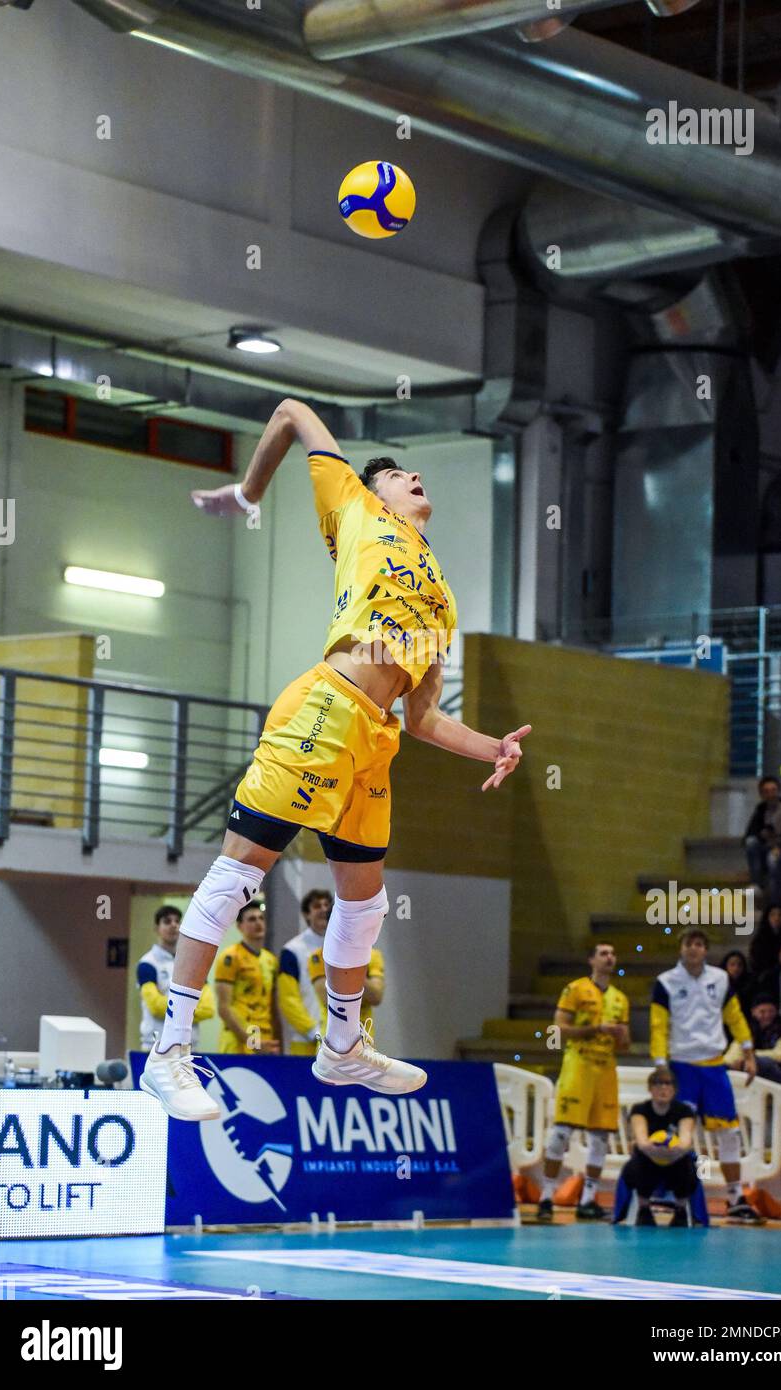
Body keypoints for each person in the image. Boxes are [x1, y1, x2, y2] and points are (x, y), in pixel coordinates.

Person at [141, 398, 531, 1120]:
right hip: (325, 710)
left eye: (414, 474)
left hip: (376, 738)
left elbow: (424, 718)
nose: (412, 476)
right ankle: (169, 1053)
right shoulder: (353, 506)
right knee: (237, 877)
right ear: (370, 490)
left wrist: (493, 746)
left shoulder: (439, 599)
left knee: (364, 901)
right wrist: (247, 493)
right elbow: (291, 411)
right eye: (398, 473)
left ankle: (341, 1046)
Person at [650, 927, 763, 1223]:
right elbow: (658, 1026)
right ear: (681, 948)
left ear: (706, 950)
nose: (694, 949)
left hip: (714, 1066)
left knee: (730, 1132)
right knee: (677, 1133)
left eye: (700, 944)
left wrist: (749, 1054)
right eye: (689, 943)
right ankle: (672, 1192)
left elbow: (735, 1018)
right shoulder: (665, 983)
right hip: (681, 1066)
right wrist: (661, 1064)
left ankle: (735, 1198)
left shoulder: (721, 978)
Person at [537, 942, 630, 1223]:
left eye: (613, 953)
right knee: (561, 1134)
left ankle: (588, 1199)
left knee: (601, 1137)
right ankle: (546, 1196)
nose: (609, 957)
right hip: (578, 1065)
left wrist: (618, 1035)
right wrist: (595, 1029)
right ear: (591, 959)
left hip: (606, 1069)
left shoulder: (620, 998)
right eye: (603, 953)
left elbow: (625, 1044)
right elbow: (557, 1031)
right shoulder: (575, 989)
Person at [617, 1067, 698, 1227]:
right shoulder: (639, 1110)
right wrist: (655, 1152)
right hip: (649, 1158)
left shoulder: (684, 1110)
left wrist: (672, 1154)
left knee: (699, 1163)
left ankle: (681, 1209)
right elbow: (642, 1141)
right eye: (658, 1084)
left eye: (668, 1084)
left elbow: (685, 1142)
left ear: (674, 1089)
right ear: (650, 1089)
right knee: (639, 1158)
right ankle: (643, 1208)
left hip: (676, 1159)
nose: (663, 1089)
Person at [135, 905, 214, 1052]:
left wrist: (176, 1009)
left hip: (188, 1048)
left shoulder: (193, 963)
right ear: (156, 928)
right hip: (156, 1047)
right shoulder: (147, 964)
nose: (173, 925)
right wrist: (188, 1009)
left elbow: (208, 1008)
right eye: (167, 921)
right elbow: (155, 1006)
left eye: (177, 921)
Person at [214, 899, 280, 1054]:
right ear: (240, 926)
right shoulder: (230, 957)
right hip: (239, 1038)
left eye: (261, 918)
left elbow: (273, 1006)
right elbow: (223, 1008)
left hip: (265, 1036)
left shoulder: (271, 960)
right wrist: (253, 1042)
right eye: (251, 919)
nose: (258, 923)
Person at [277, 888, 332, 1057]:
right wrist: (313, 1032)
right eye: (317, 906)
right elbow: (288, 998)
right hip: (305, 1041)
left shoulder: (345, 948)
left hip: (339, 1040)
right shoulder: (292, 951)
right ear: (307, 914)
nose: (323, 909)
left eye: (326, 905)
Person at [743, 776, 781, 902]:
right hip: (765, 848)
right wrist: (761, 835)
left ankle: (775, 903)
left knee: (773, 860)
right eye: (766, 791)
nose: (771, 794)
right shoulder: (760, 810)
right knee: (751, 842)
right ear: (762, 794)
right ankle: (756, 884)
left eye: (773, 790)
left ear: (779, 791)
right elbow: (748, 835)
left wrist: (780, 848)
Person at [724, 995, 781, 1085]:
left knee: (763, 1063)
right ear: (753, 1012)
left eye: (771, 1011)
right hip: (750, 1069)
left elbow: (780, 1055)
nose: (767, 1015)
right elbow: (736, 1049)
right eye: (762, 1012)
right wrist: (730, 1062)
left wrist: (750, 1056)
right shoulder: (748, 1030)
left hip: (778, 1071)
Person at [747, 903, 781, 978]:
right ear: (767, 918)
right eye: (773, 915)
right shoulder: (759, 940)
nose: (776, 918)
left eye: (780, 915)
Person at [720, 950, 753, 1020]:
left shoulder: (751, 985)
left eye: (740, 965)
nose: (736, 968)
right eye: (732, 965)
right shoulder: (719, 984)